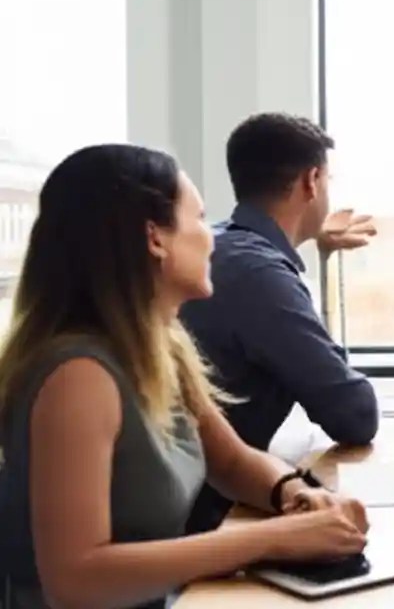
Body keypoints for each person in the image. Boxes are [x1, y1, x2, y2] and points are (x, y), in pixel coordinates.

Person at [0, 145, 368, 609]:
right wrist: (276, 538)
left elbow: (232, 463)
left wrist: (295, 494)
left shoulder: (162, 347)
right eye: (198, 218)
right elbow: (74, 580)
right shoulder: (79, 376)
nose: (211, 237)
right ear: (155, 238)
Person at [179, 113, 379, 534]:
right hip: (199, 520)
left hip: (196, 500)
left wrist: (320, 254)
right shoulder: (258, 272)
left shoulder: (229, 249)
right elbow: (354, 415)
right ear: (311, 182)